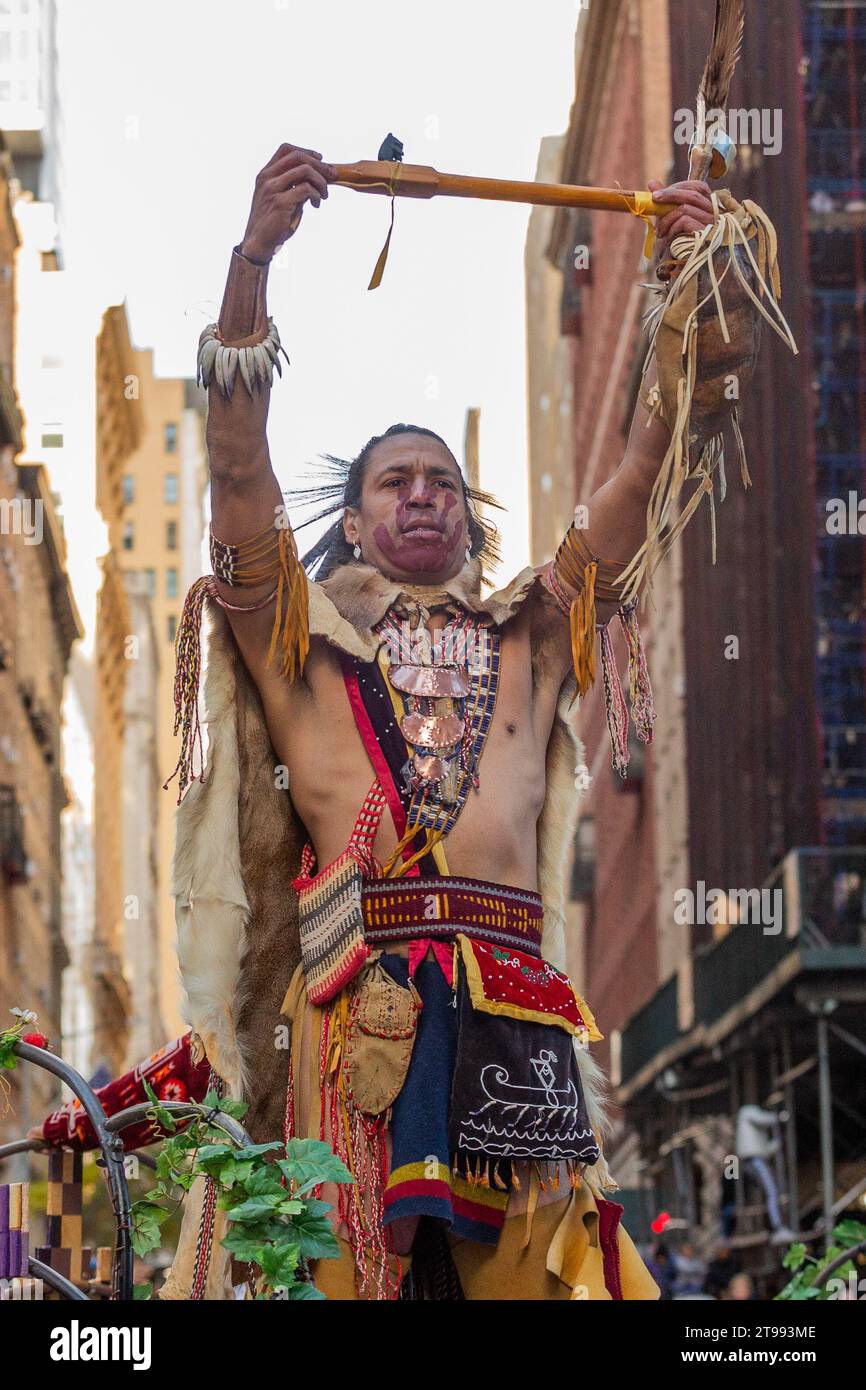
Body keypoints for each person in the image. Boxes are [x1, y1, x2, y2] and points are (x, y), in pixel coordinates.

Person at [41, 142, 788, 1301]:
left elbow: (650, 464)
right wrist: (253, 262)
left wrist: (688, 286)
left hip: (516, 1032)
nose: (423, 493)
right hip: (351, 1039)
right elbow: (236, 482)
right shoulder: (297, 645)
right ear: (353, 515)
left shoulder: (536, 636)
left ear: (468, 514)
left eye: (439, 478)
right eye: (395, 480)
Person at [735, 1103, 794, 1240]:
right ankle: (777, 1227)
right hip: (753, 1160)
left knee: (770, 1191)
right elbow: (762, 1119)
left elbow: (765, 1150)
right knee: (772, 1191)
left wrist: (777, 1143)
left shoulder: (756, 1132)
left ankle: (774, 1226)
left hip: (756, 1159)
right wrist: (779, 1117)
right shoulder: (748, 1111)